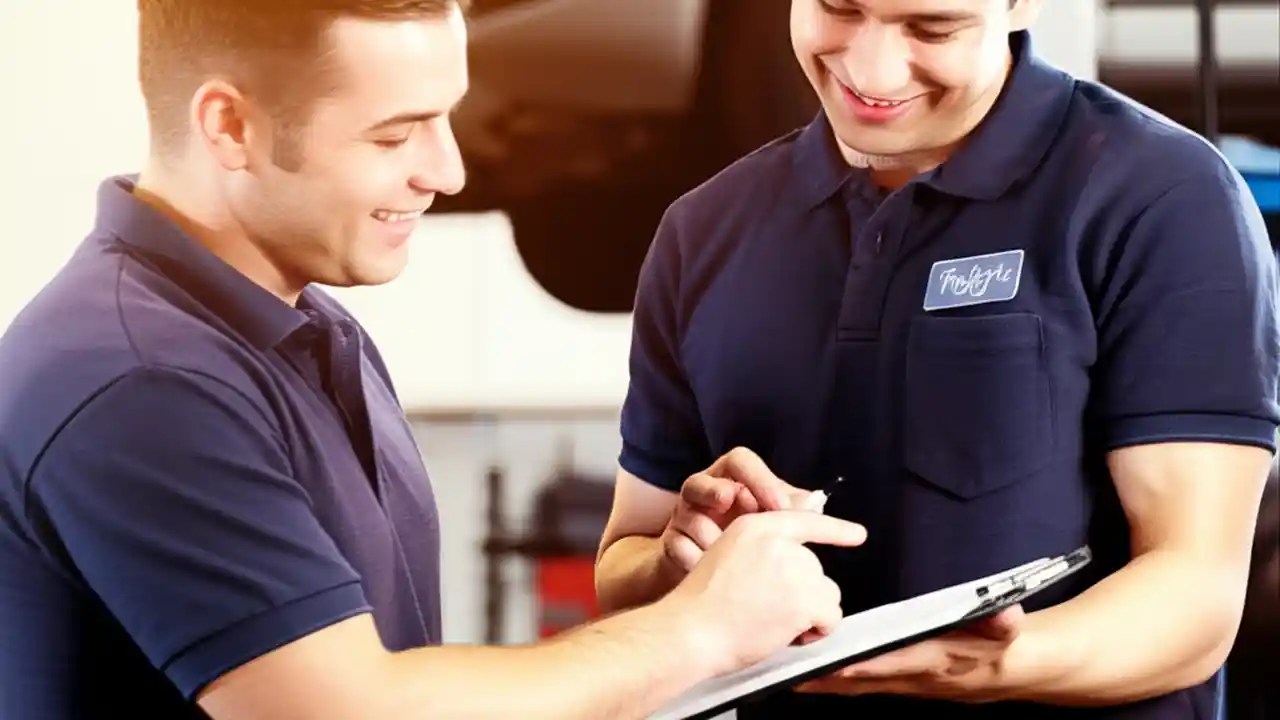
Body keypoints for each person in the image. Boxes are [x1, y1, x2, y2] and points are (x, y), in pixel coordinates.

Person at [0, 2, 870, 719]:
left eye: (446, 117)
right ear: (229, 125)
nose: (447, 170)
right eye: (396, 135)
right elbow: (353, 713)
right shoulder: (143, 378)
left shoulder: (306, 329)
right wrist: (701, 629)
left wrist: (683, 571)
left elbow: (404, 672)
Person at [595, 0, 1279, 718]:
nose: (871, 68)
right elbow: (623, 570)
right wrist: (679, 555)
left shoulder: (1160, 197)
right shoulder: (703, 231)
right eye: (839, 8)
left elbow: (1195, 599)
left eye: (932, 28)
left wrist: (992, 663)